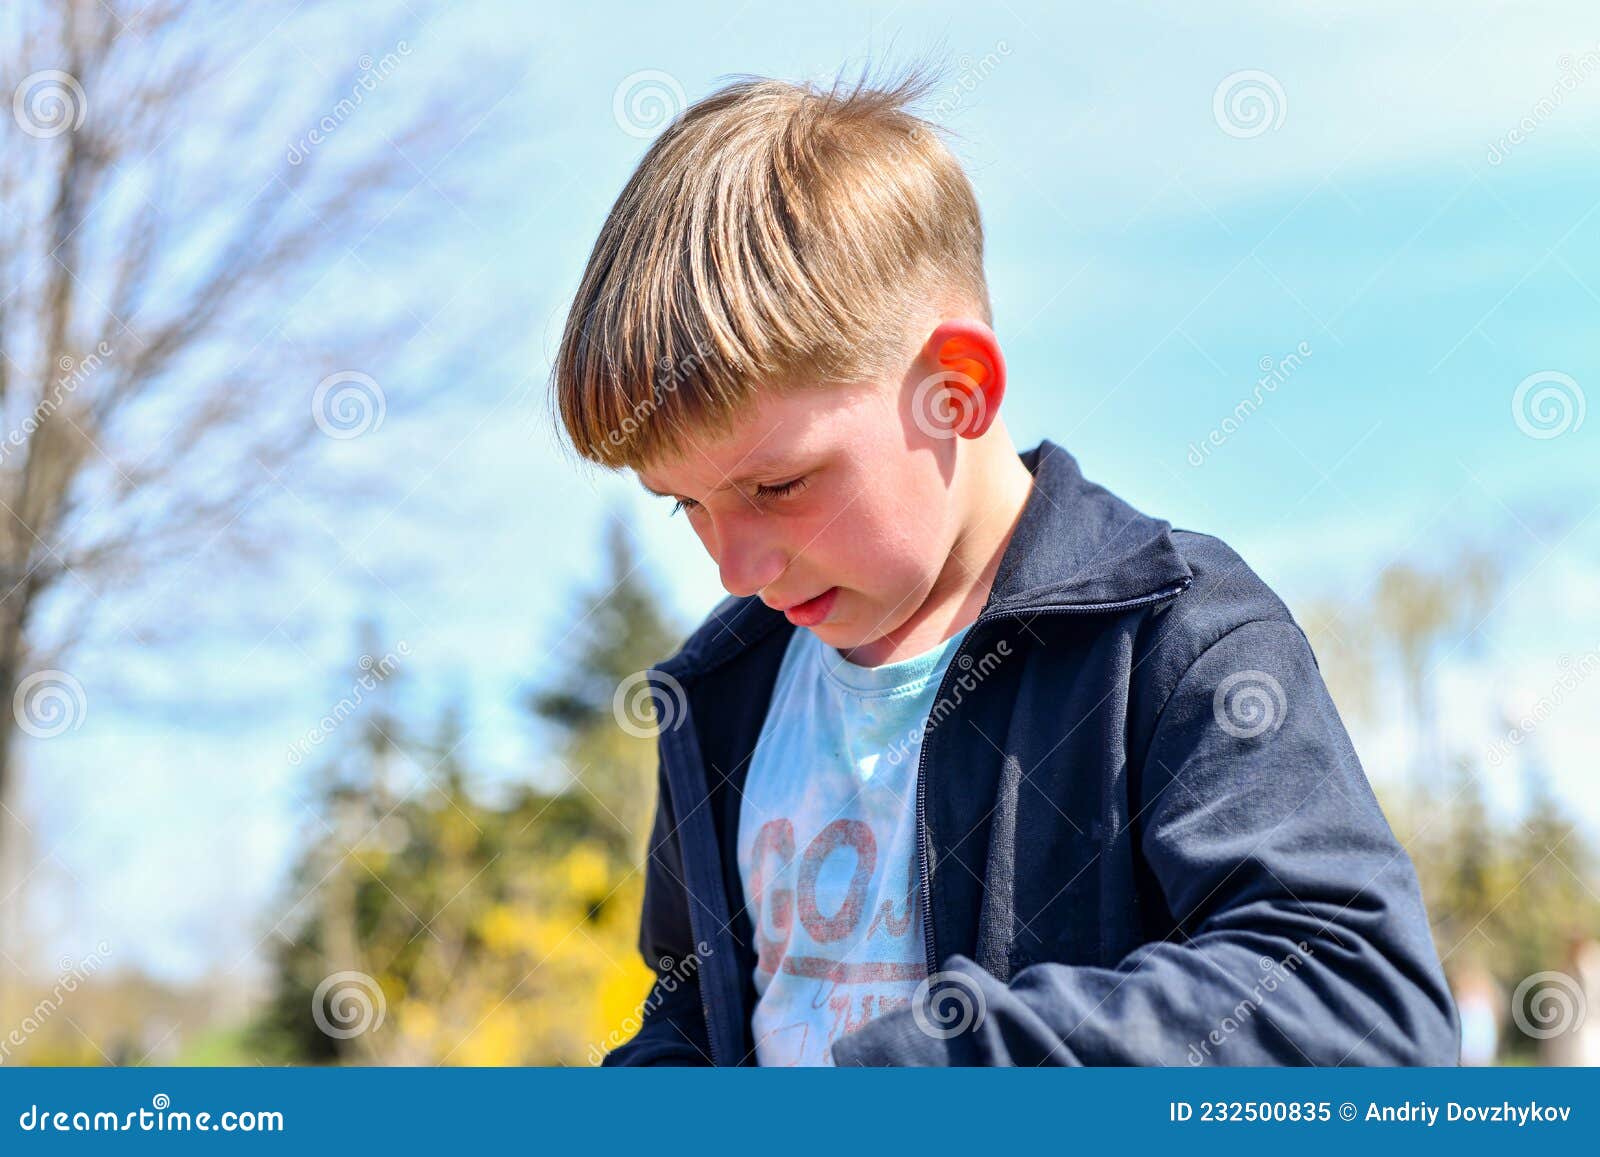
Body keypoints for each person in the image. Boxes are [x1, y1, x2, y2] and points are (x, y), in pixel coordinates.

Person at [548, 62, 1460, 1067]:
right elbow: (693, 1013)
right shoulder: (724, 696)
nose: (734, 566)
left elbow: (1356, 1006)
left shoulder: (1173, 639)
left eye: (778, 486)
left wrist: (934, 1067)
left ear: (956, 388)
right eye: (687, 505)